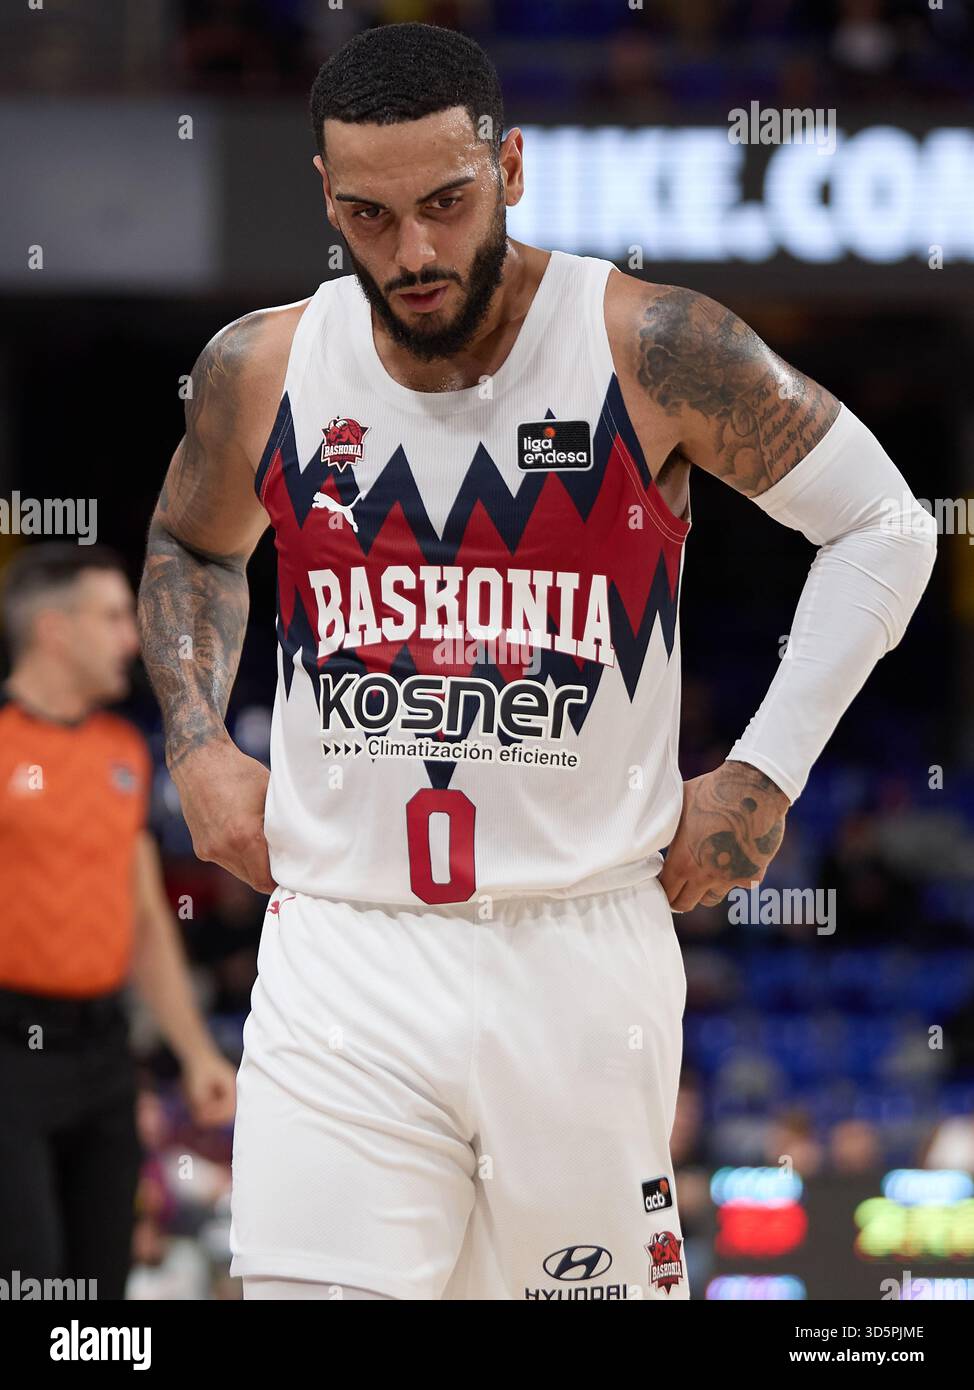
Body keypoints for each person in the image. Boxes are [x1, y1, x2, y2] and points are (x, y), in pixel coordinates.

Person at [136, 22, 936, 1300]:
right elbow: (188, 542)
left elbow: (885, 526)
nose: (412, 251)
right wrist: (196, 742)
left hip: (577, 952)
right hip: (342, 943)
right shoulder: (263, 364)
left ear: (510, 165)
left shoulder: (652, 343)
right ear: (324, 196)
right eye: (370, 214)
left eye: (445, 205)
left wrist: (766, 771)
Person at [0, 544, 237, 1300]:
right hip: (10, 1054)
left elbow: (145, 921)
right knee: (30, 1281)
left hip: (104, 1054)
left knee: (103, 1289)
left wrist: (197, 1053)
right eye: (110, 618)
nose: (131, 639)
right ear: (53, 631)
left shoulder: (124, 752)